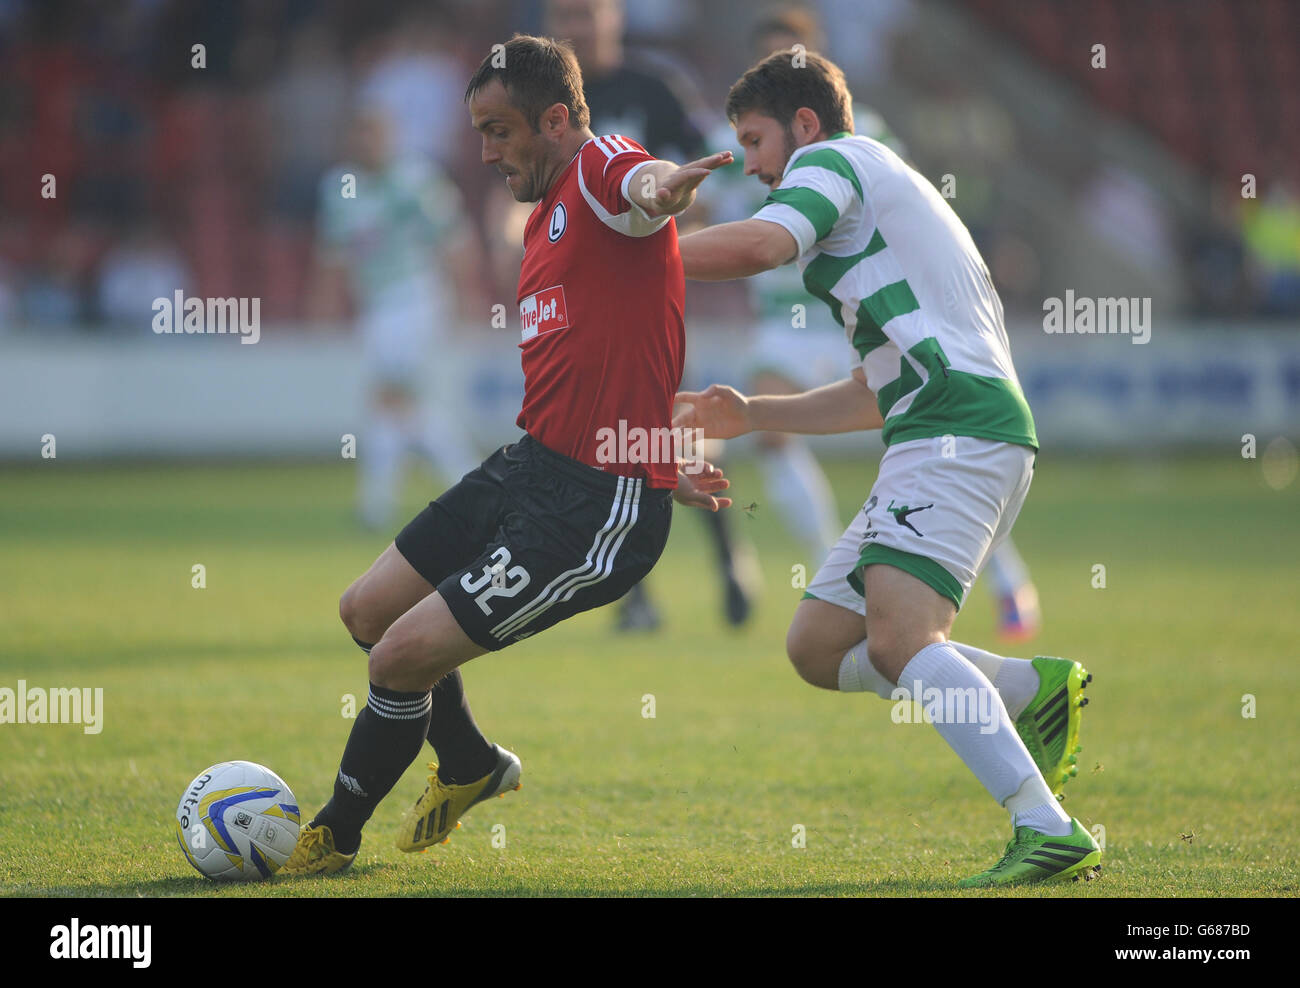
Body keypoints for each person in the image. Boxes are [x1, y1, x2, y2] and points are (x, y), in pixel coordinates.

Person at [281, 34, 734, 876]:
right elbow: (623, 350)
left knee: (397, 659)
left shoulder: (600, 166)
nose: (485, 153)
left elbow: (635, 178)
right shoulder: (546, 219)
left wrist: (660, 186)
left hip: (594, 511)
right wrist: (659, 436)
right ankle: (470, 765)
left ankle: (330, 836)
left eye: (499, 131)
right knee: (365, 613)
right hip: (530, 467)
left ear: (555, 120)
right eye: (479, 132)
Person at [674, 49, 1098, 886]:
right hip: (936, 427)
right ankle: (1024, 690)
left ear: (804, 124)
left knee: (904, 640)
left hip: (957, 432)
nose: (752, 165)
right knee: (818, 646)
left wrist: (639, 255)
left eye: (755, 142)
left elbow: (763, 244)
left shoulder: (836, 159)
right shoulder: (875, 205)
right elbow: (875, 391)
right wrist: (756, 414)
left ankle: (1046, 826)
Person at [545, 0, 755, 631]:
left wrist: (666, 212)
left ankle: (725, 557)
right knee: (596, 443)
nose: (573, 26)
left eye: (584, 13)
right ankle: (632, 593)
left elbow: (708, 173)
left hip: (642, 296)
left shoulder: (654, 88)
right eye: (562, 15)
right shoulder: (547, 107)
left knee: (660, 431)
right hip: (577, 298)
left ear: (613, 17)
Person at [310, 106, 483, 529]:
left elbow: (455, 239)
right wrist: (323, 303)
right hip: (375, 306)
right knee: (399, 405)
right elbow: (332, 253)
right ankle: (469, 483)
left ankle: (380, 503)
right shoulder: (339, 188)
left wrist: (469, 295)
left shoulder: (416, 180)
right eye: (361, 134)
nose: (368, 143)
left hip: (416, 297)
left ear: (392, 137)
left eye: (376, 134)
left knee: (390, 398)